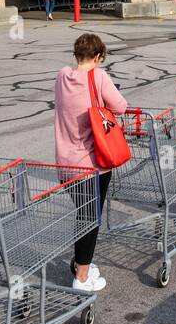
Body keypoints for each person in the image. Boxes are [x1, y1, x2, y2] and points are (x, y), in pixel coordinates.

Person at [53, 33, 128, 292]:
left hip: (64, 164)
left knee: (83, 214)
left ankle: (81, 263)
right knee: (89, 218)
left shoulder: (62, 76)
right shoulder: (98, 77)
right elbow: (120, 107)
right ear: (97, 57)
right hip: (92, 164)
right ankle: (82, 277)